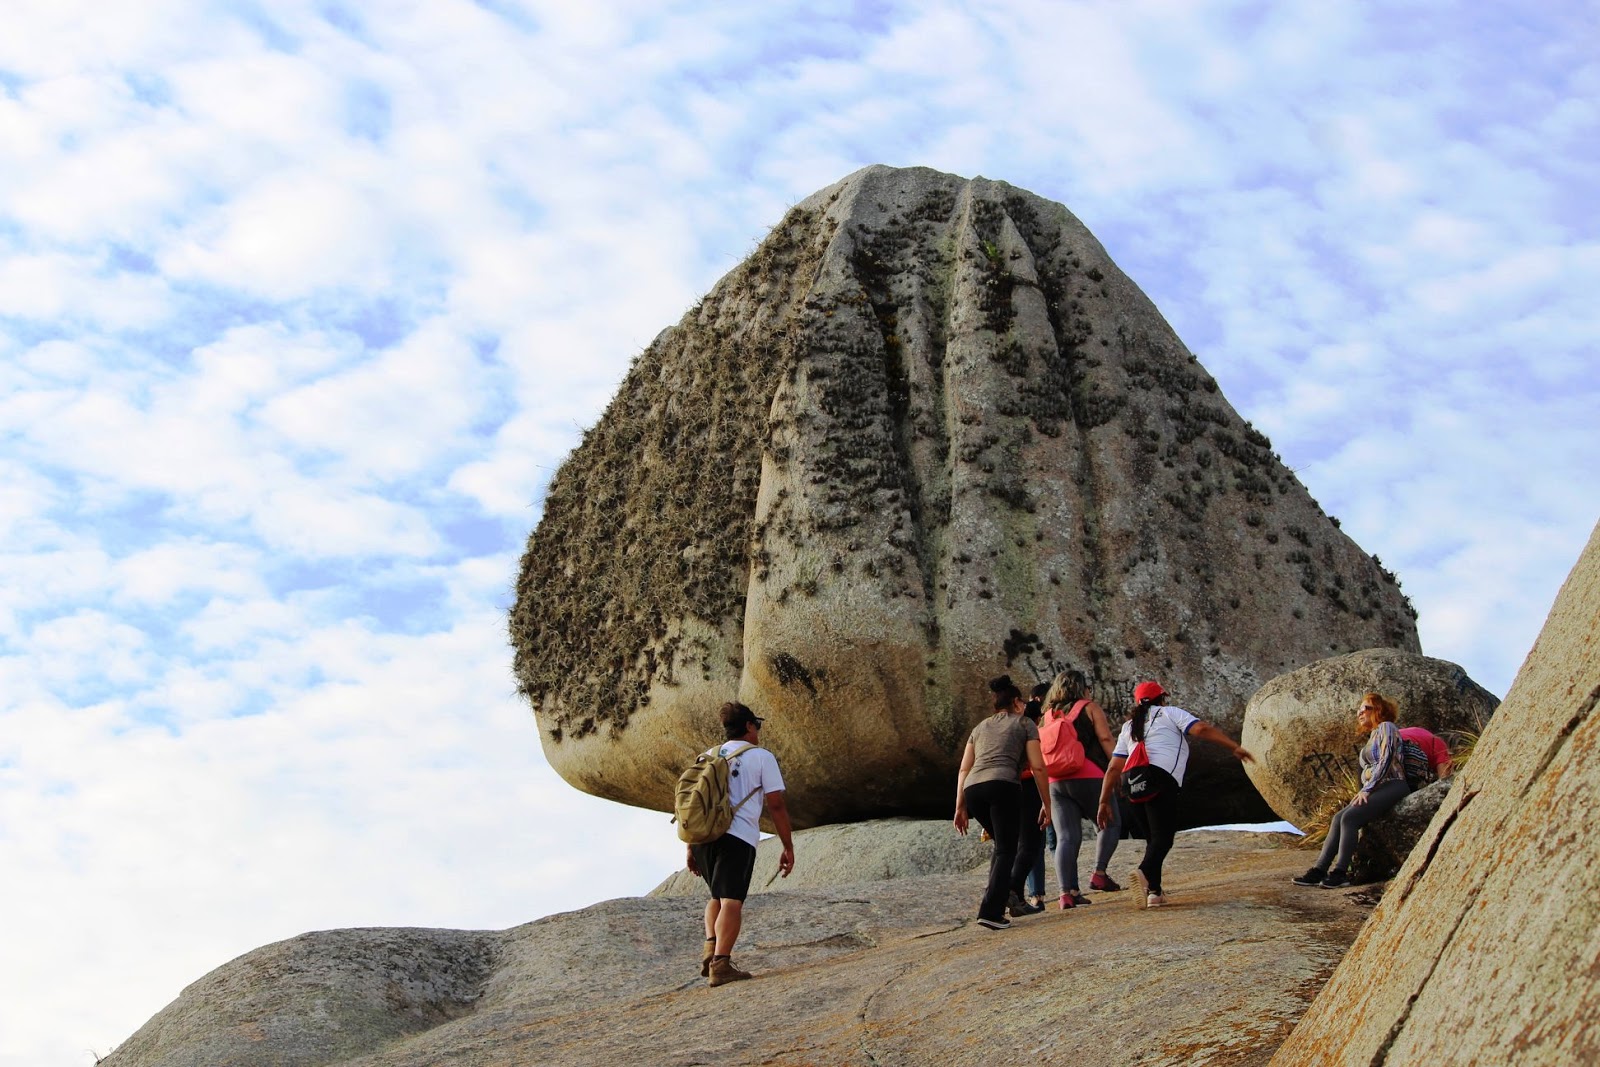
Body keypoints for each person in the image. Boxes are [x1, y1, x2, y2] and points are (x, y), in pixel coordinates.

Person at [1097, 680, 1253, 908]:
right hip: (1160, 779)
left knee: (1153, 839)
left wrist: (1103, 801)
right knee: (1163, 838)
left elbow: (1113, 768)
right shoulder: (1170, 713)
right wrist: (1233, 746)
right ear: (1161, 698)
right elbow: (1201, 729)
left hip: (1132, 782)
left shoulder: (1129, 727)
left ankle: (1154, 893)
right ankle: (1142, 873)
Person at [685, 701, 795, 986]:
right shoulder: (761, 757)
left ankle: (711, 948)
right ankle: (721, 964)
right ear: (748, 726)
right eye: (756, 725)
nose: (757, 731)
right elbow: (776, 805)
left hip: (703, 838)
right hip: (738, 836)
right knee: (732, 901)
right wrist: (787, 845)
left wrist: (690, 846)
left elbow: (692, 805)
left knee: (715, 897)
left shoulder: (705, 756)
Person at [954, 675, 1052, 930]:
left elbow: (964, 770)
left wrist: (960, 806)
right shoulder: (1025, 723)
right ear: (1018, 702)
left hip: (974, 789)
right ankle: (991, 911)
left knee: (1002, 845)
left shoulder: (980, 728)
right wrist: (1047, 804)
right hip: (1004, 785)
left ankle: (993, 904)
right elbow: (1038, 767)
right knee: (1007, 849)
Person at [1294, 692, 1410, 889]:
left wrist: (1368, 789)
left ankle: (1341, 872)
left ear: (1378, 710)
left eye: (1365, 708)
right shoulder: (1372, 736)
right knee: (1339, 818)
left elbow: (1387, 758)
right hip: (1377, 788)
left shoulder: (1387, 728)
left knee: (1350, 818)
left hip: (1394, 784)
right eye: (1359, 710)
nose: (1359, 713)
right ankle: (1319, 870)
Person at [1042, 669, 1124, 908]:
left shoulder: (1047, 715)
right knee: (1110, 822)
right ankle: (1099, 873)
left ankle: (1065, 893)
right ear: (1082, 688)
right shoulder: (1089, 707)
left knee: (1066, 837)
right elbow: (1106, 739)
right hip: (1089, 775)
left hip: (1056, 781)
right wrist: (1117, 768)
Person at [1020, 682, 1051, 907]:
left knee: (1017, 844)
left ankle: (1029, 894)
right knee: (1034, 843)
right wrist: (1046, 801)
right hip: (1031, 787)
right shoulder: (1033, 732)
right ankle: (1035, 894)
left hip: (1008, 788)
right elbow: (1038, 767)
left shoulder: (1006, 731)